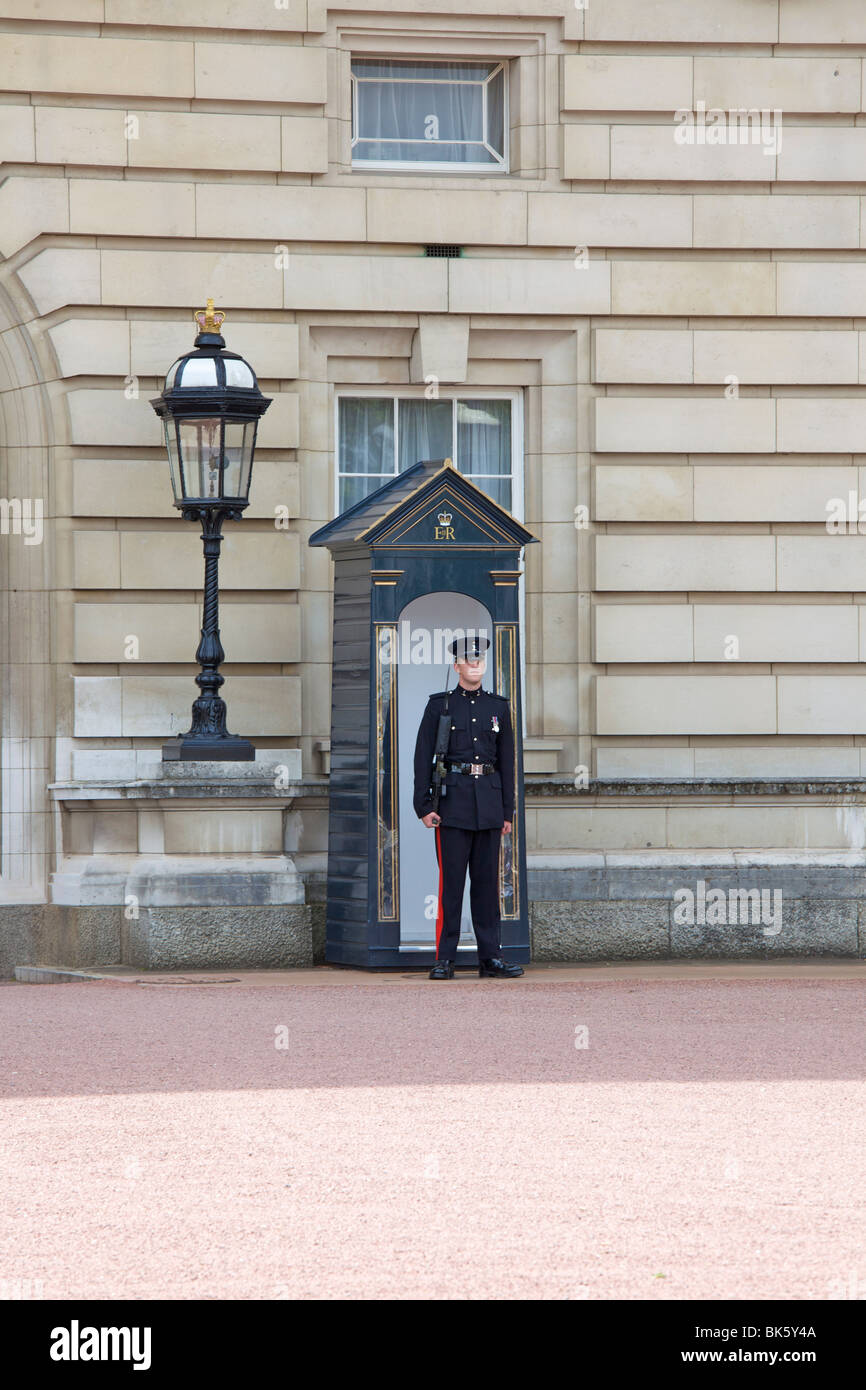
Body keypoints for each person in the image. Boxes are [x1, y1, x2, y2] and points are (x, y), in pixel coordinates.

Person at [413, 634, 524, 980]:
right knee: (452, 886)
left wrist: (507, 812)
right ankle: (444, 959)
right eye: (469, 660)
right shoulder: (440, 705)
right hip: (453, 804)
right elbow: (422, 758)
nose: (475, 665)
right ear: (457, 665)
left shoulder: (497, 707)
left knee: (487, 886)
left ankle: (490, 957)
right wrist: (423, 805)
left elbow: (507, 761)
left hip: (489, 805)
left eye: (480, 660)